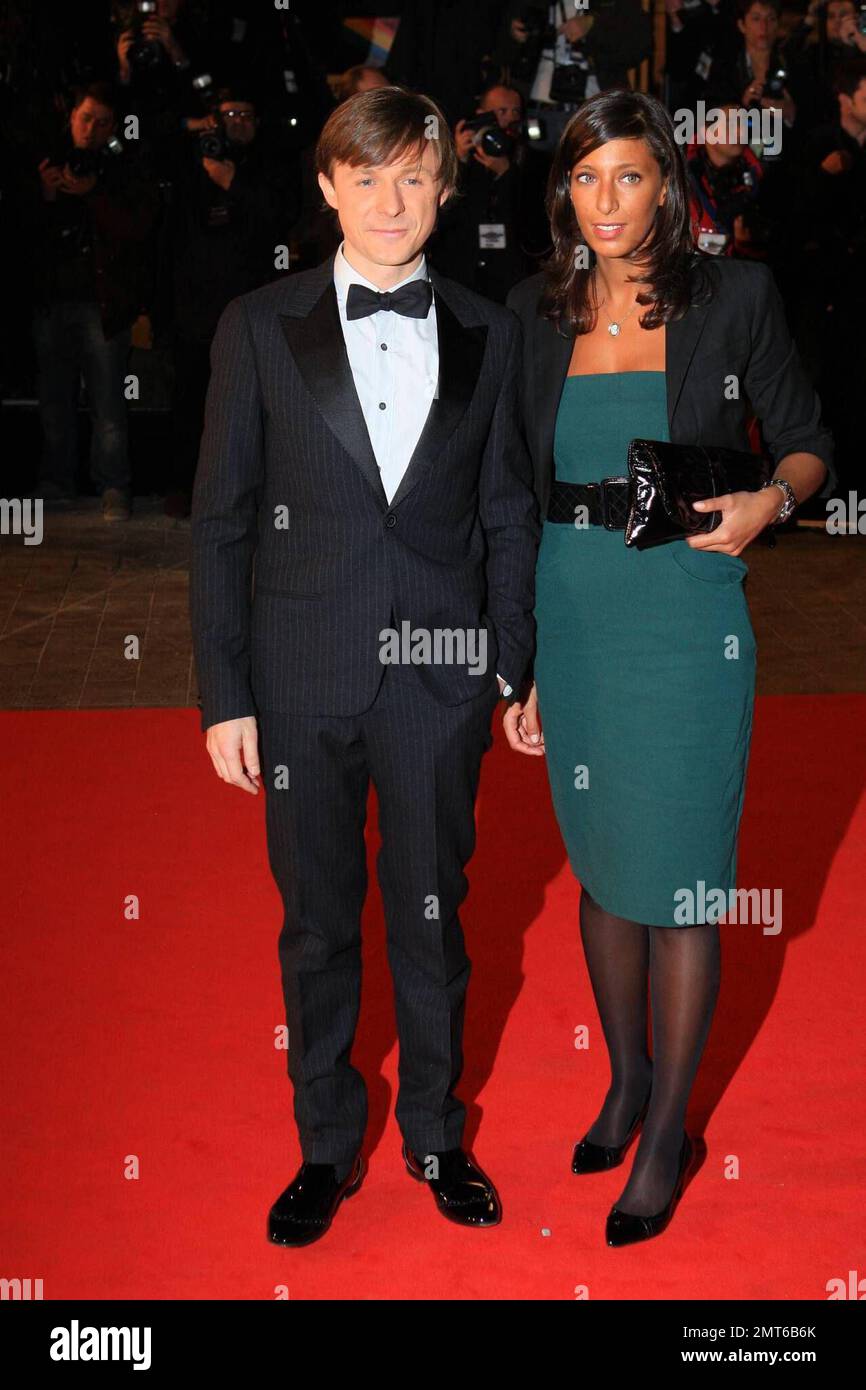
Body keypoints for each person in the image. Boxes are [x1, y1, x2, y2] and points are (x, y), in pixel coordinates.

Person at [189, 85, 539, 1246]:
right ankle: (324, 1142)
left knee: (435, 918)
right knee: (317, 922)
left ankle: (436, 1132)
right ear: (329, 185)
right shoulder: (257, 324)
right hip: (299, 677)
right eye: (365, 175)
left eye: (412, 177)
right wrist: (225, 693)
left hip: (437, 679)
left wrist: (507, 662)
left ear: (443, 189)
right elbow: (221, 523)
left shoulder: (494, 332)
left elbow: (506, 514)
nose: (389, 201)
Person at [504, 88, 832, 1246]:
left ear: (666, 188)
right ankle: (628, 1079)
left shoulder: (731, 296)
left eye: (628, 176)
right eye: (584, 179)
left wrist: (766, 501)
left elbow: (807, 441)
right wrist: (522, 662)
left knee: (684, 879)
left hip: (689, 623)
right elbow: (509, 496)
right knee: (603, 875)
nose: (604, 201)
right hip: (576, 621)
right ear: (563, 194)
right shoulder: (532, 313)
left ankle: (665, 1131)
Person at [31, 82, 157, 520]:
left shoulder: (121, 167)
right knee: (54, 399)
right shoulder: (46, 160)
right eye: (86, 118)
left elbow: (136, 230)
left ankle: (113, 487)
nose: (92, 129)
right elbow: (25, 237)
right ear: (71, 116)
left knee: (108, 403)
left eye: (103, 122)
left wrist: (92, 194)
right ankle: (57, 480)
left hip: (103, 307)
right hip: (51, 302)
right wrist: (48, 196)